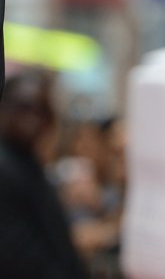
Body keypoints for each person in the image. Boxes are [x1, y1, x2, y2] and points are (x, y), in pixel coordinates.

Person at [0, 67, 90, 278]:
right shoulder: (7, 170)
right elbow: (22, 259)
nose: (33, 120)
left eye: (43, 111)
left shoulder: (27, 165)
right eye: (24, 108)